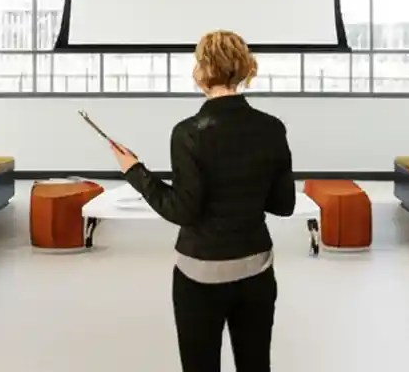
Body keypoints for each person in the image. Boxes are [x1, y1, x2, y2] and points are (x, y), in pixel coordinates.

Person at [108, 30, 294, 372]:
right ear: (242, 69)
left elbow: (182, 210)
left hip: (200, 274)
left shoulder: (189, 132)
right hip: (257, 268)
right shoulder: (272, 128)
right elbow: (284, 204)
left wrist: (135, 171)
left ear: (203, 70)